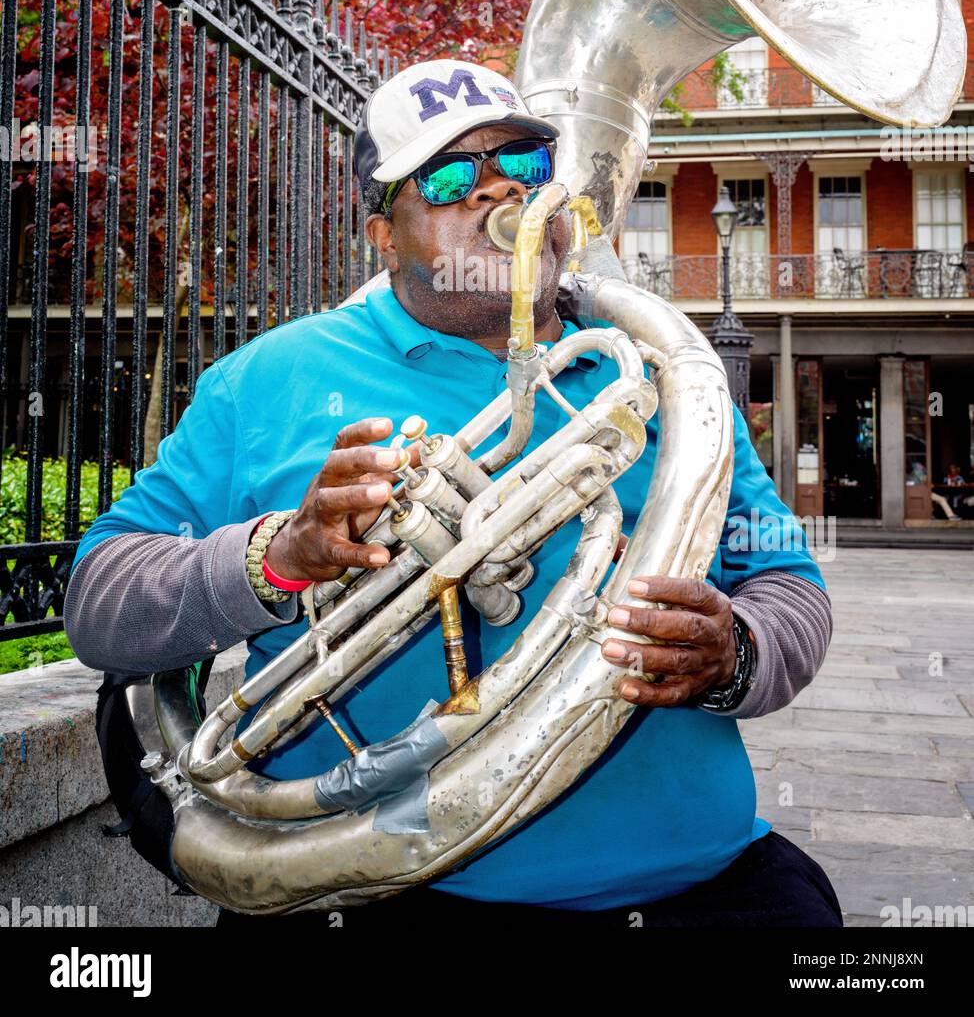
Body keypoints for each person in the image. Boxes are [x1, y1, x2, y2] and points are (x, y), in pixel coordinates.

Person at [64, 59, 840, 929]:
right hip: (390, 898)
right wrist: (278, 557)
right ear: (382, 235)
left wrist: (735, 653)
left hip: (699, 891)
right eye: (448, 176)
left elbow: (789, 588)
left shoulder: (664, 371)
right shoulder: (267, 380)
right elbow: (99, 603)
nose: (498, 188)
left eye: (524, 163)